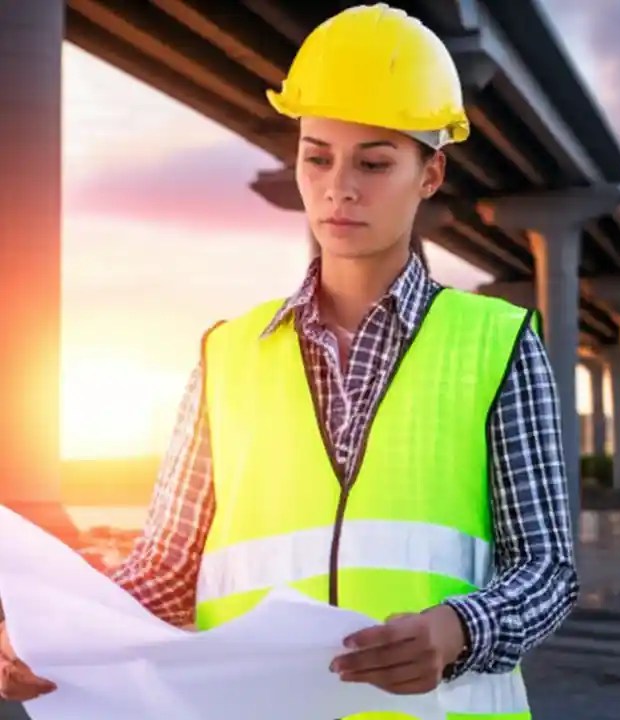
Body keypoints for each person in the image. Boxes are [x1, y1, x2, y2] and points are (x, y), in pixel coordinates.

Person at [0, 5, 576, 717]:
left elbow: (547, 570)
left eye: (374, 162)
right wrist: (59, 641)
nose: (340, 187)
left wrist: (461, 628)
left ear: (430, 175)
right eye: (317, 156)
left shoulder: (498, 342)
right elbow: (167, 570)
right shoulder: (225, 355)